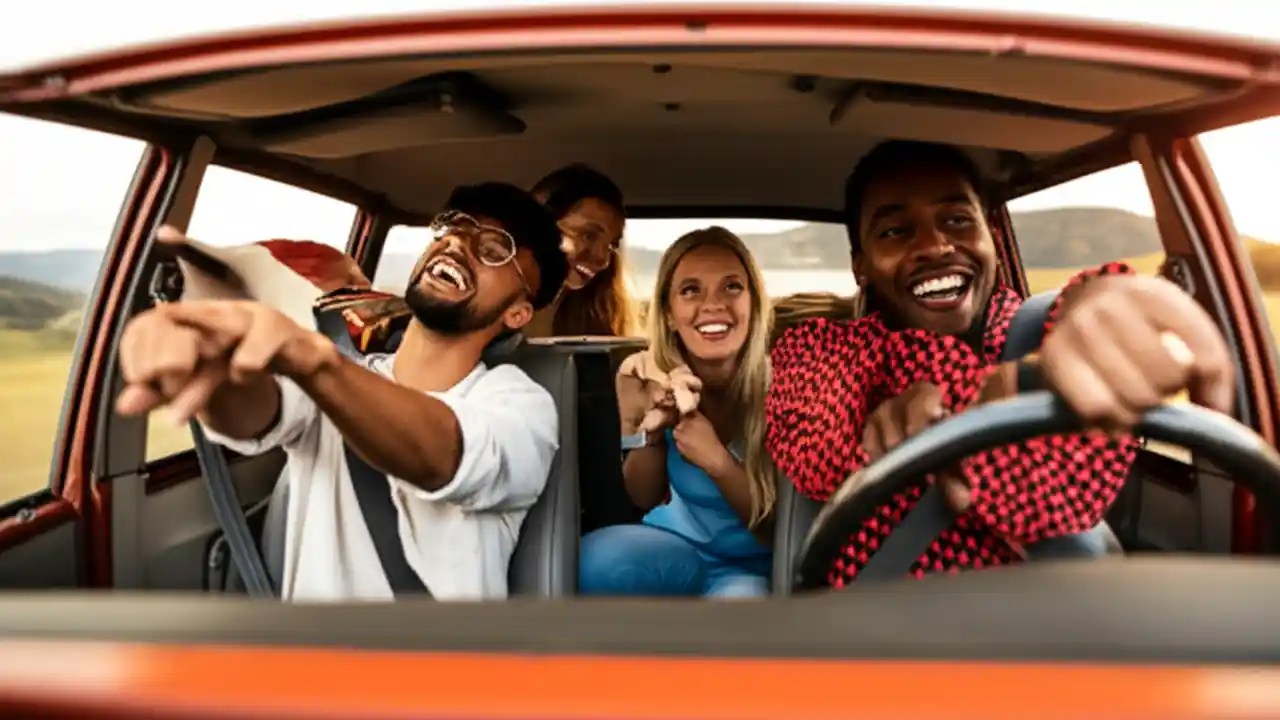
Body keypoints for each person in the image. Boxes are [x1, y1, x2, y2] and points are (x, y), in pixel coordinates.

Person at [766, 140, 1234, 587]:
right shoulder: (824, 348)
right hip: (879, 635)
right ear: (860, 265)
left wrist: (1105, 311)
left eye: (956, 220)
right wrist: (962, 396)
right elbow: (817, 457)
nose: (935, 245)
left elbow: (1058, 501)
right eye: (895, 231)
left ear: (991, 238)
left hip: (1044, 635)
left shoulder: (1043, 330)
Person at [115, 182, 570, 601]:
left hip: (432, 682)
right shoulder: (333, 379)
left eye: (493, 250)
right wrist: (215, 363)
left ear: (517, 312)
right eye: (452, 227)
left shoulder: (519, 404)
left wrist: (312, 359)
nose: (458, 243)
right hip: (305, 676)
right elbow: (255, 410)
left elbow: (443, 455)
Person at [578, 227, 776, 598]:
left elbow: (779, 527)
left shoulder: (788, 388)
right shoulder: (650, 378)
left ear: (754, 304)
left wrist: (717, 461)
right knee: (595, 562)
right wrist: (653, 434)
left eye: (732, 287)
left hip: (750, 567)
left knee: (739, 621)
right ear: (669, 314)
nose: (713, 304)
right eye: (690, 290)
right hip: (674, 547)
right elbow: (643, 497)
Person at [526, 163, 637, 337]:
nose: (603, 260)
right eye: (588, 236)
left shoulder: (595, 324)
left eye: (611, 246)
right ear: (539, 226)